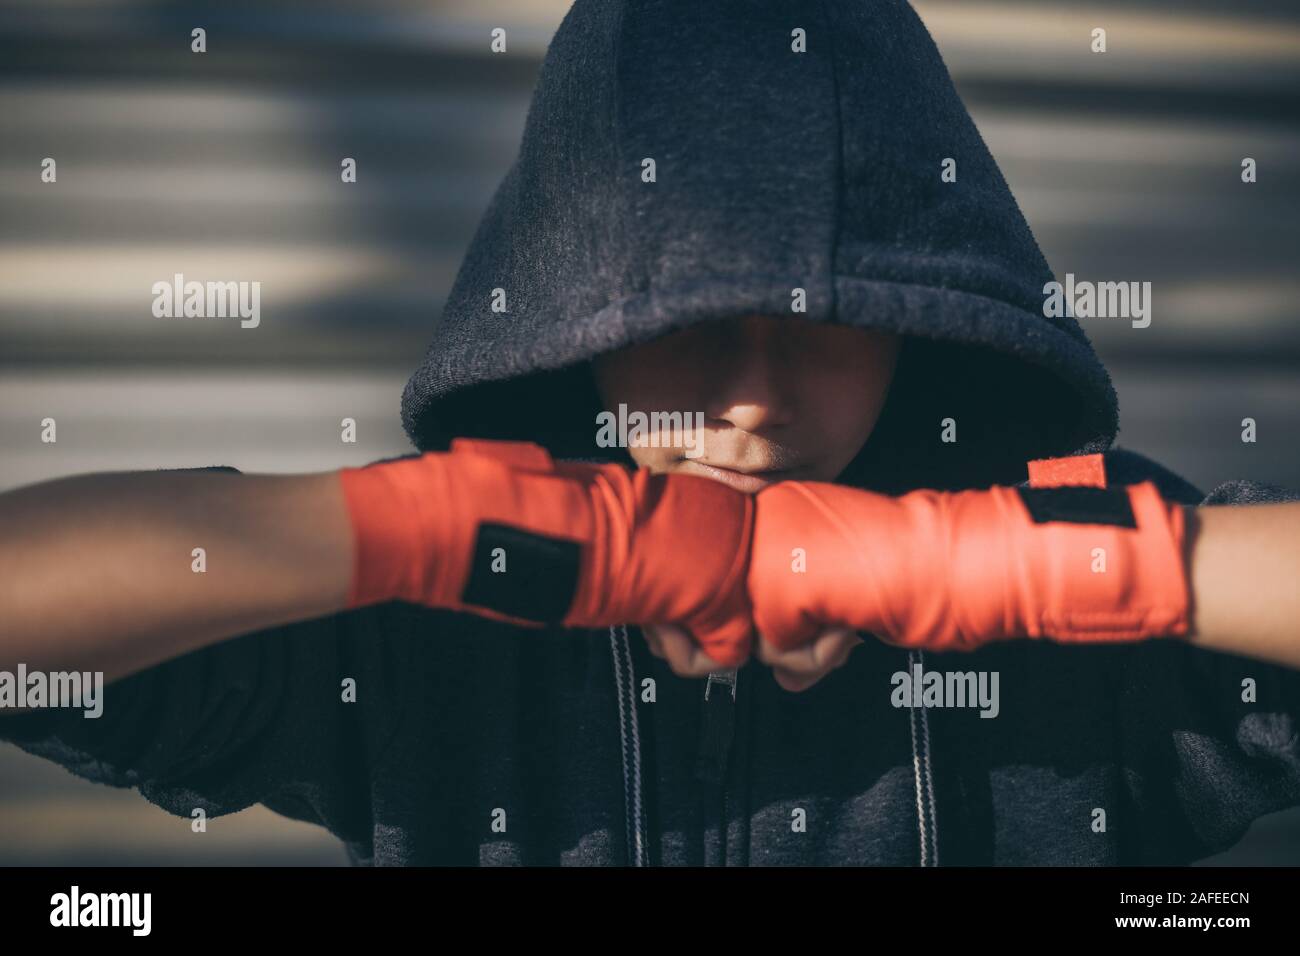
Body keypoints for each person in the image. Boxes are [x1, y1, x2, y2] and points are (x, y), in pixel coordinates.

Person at [2, 0, 1299, 867]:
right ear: (577, 325)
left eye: (821, 320)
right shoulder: (438, 617)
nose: (749, 396)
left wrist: (982, 564)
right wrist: (430, 533)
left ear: (927, 323)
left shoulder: (1065, 573)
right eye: (682, 320)